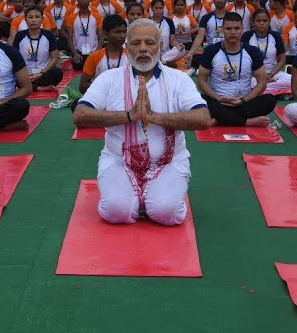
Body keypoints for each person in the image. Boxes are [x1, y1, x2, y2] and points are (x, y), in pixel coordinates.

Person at [74, 18, 210, 225]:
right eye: (136, 43)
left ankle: (149, 196)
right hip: (119, 161)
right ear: (126, 47)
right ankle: (138, 196)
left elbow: (203, 119)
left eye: (150, 43)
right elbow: (80, 114)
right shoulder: (109, 79)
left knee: (167, 213)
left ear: (161, 46)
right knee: (116, 211)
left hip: (169, 162)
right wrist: (129, 115)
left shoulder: (178, 79)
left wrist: (153, 117)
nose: (143, 49)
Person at [196, 12, 277, 127]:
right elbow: (201, 81)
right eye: (229, 28)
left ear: (242, 29)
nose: (233, 32)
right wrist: (218, 99)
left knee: (270, 100)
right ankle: (245, 122)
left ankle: (222, 119)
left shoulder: (252, 52)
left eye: (236, 28)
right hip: (219, 102)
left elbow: (262, 83)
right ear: (222, 29)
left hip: (244, 102)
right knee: (198, 98)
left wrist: (243, 100)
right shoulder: (211, 51)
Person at [12, 6, 64, 90]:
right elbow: (15, 58)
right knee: (11, 76)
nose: (33, 20)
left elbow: (54, 58)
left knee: (57, 73)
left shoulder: (48, 35)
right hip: (26, 74)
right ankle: (39, 88)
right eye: (30, 17)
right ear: (25, 20)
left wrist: (41, 73)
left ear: (42, 19)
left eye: (37, 17)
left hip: (43, 74)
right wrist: (24, 74)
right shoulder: (20, 35)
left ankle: (31, 87)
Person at [242, 9, 290, 96]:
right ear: (253, 22)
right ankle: (271, 91)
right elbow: (243, 60)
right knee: (243, 82)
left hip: (272, 73)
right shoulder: (247, 36)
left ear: (269, 21)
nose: (262, 23)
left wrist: (271, 75)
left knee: (291, 80)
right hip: (253, 75)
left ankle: (259, 90)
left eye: (265, 20)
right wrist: (260, 77)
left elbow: (282, 59)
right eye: (258, 20)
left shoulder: (275, 36)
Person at [79, 14, 131, 95]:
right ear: (106, 34)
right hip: (101, 99)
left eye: (124, 32)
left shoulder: (131, 56)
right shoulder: (95, 56)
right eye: (118, 32)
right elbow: (82, 87)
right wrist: (106, 85)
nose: (122, 36)